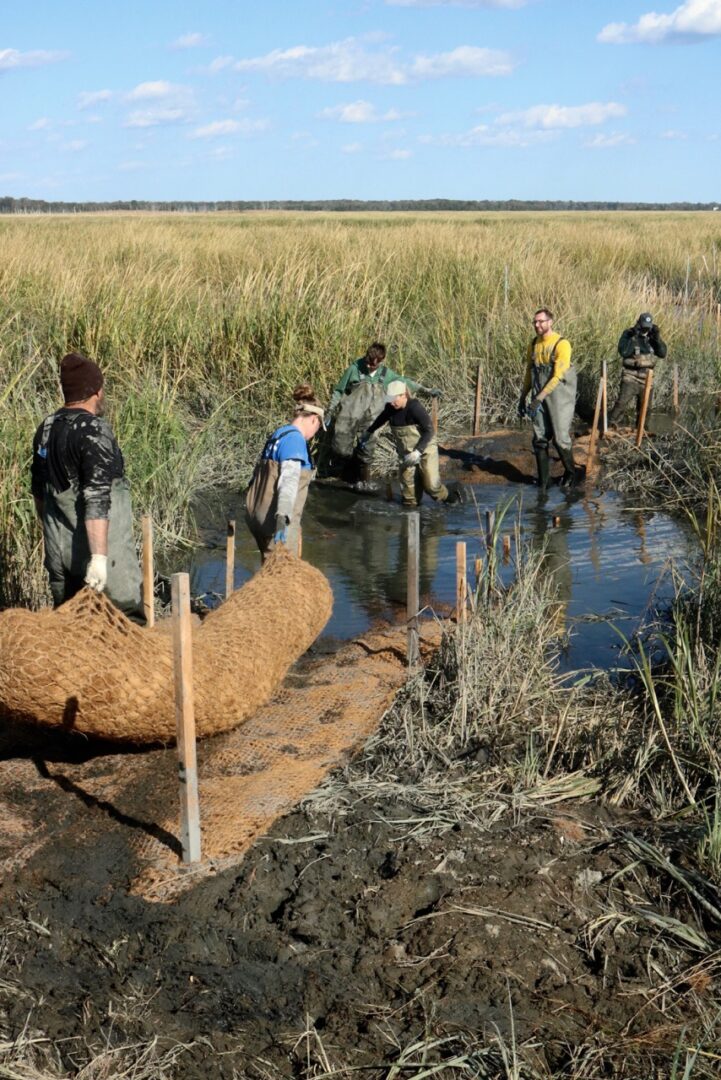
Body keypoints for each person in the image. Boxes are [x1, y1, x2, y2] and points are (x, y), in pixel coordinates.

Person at [31, 352, 144, 621]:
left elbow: (39, 496)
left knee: (71, 631)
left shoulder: (46, 428)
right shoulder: (94, 430)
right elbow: (97, 498)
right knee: (125, 626)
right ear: (96, 390)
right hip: (101, 557)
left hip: (60, 554)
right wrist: (99, 559)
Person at [327, 343, 441, 484]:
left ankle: (363, 483)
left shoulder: (387, 375)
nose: (369, 366)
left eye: (373, 365)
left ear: (381, 362)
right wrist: (330, 410)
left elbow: (406, 382)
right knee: (341, 449)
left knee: (366, 453)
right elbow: (339, 390)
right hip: (349, 416)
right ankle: (343, 474)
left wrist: (427, 390)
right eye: (368, 362)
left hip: (371, 419)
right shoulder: (354, 369)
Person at [245, 384, 325, 558]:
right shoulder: (295, 441)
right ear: (313, 419)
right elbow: (288, 481)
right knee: (283, 577)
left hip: (258, 518)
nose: (314, 434)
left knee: (269, 570)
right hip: (277, 525)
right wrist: (282, 519)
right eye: (318, 427)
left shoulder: (279, 434)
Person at [359, 380, 460, 507]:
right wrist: (368, 432)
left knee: (432, 487)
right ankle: (413, 519)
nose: (391, 402)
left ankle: (453, 499)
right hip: (406, 453)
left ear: (403, 395)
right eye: (389, 399)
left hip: (425, 449)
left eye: (394, 399)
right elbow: (381, 419)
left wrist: (418, 451)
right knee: (409, 498)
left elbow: (429, 430)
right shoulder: (390, 408)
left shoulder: (414, 407)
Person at [518, 309, 577, 492]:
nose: (537, 325)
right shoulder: (534, 344)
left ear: (550, 322)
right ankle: (544, 482)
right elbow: (530, 372)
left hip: (560, 397)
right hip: (538, 396)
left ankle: (571, 473)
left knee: (560, 439)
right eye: (535, 322)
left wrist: (538, 398)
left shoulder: (562, 344)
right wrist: (523, 397)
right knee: (539, 439)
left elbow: (558, 376)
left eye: (541, 322)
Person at [608, 312, 667, 428]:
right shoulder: (629, 334)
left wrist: (657, 338)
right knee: (621, 404)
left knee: (645, 410)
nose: (645, 330)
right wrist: (634, 336)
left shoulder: (651, 337)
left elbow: (662, 353)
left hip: (647, 379)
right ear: (638, 324)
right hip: (630, 377)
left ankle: (641, 432)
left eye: (648, 327)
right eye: (643, 326)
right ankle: (608, 427)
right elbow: (624, 351)